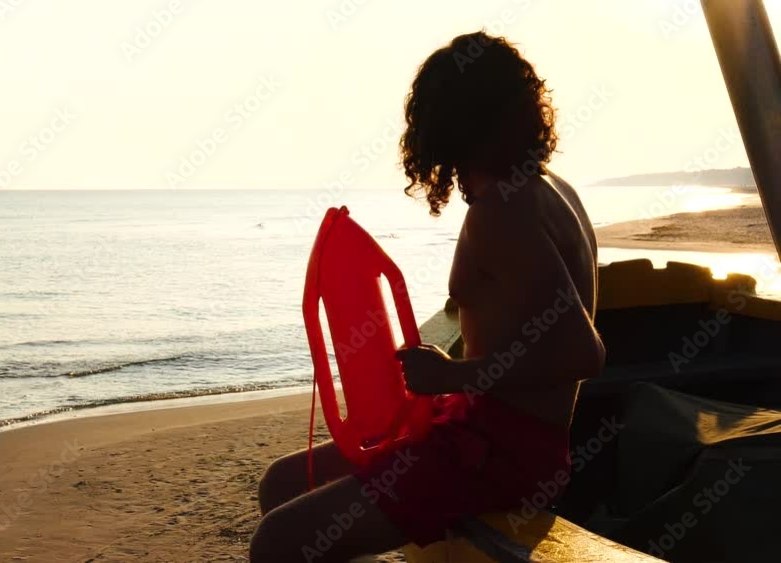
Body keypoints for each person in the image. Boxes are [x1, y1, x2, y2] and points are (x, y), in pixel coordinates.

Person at [250, 31, 606, 562]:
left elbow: (583, 353)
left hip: (501, 455)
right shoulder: (545, 187)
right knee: (283, 482)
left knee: (277, 542)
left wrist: (451, 375)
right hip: (477, 427)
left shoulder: (502, 213)